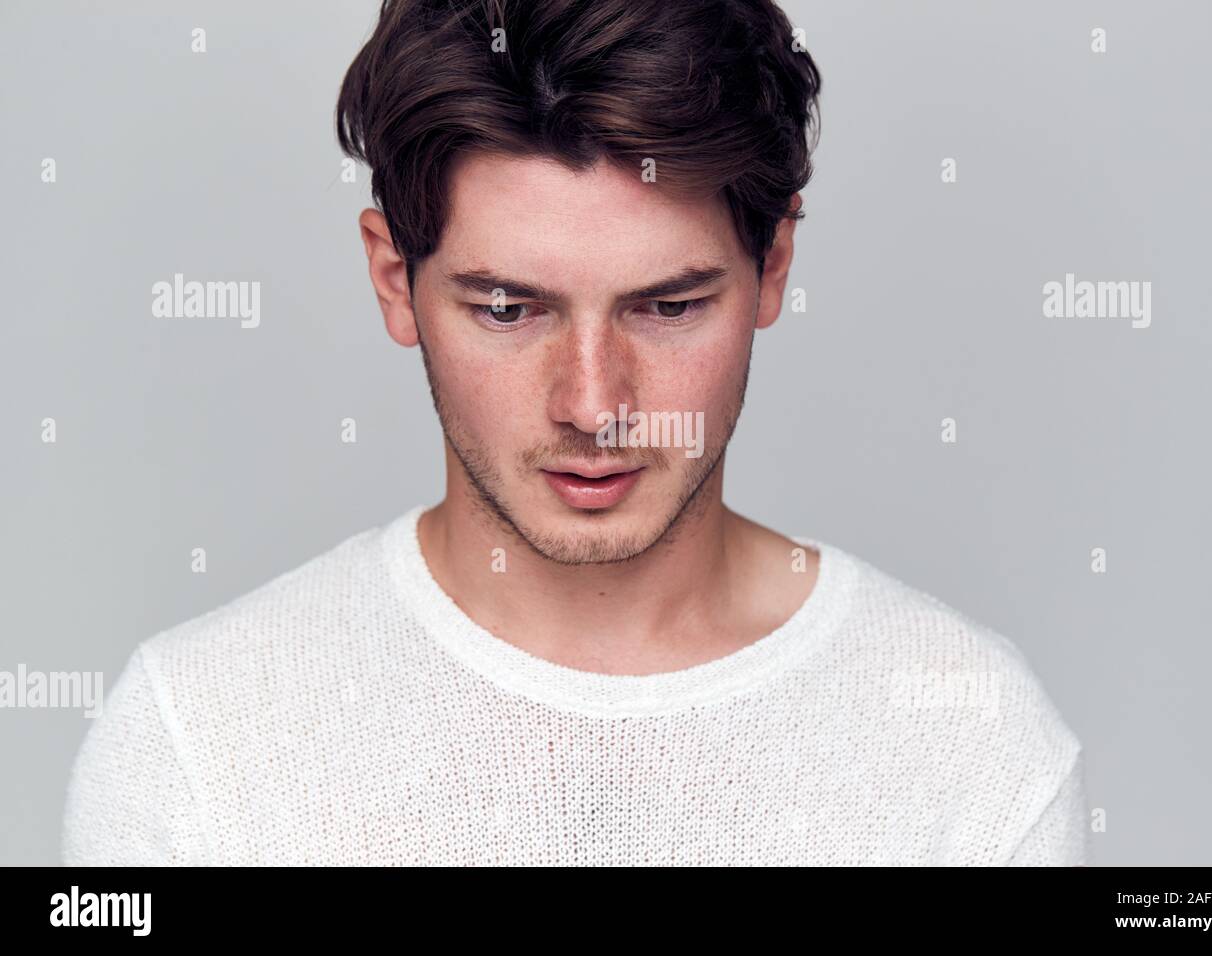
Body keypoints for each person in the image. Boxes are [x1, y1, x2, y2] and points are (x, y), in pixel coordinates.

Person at [62, 0, 1085, 866]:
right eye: (509, 309)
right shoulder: (197, 744)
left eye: (669, 306)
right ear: (393, 280)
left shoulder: (969, 742)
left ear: (772, 266)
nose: (594, 405)